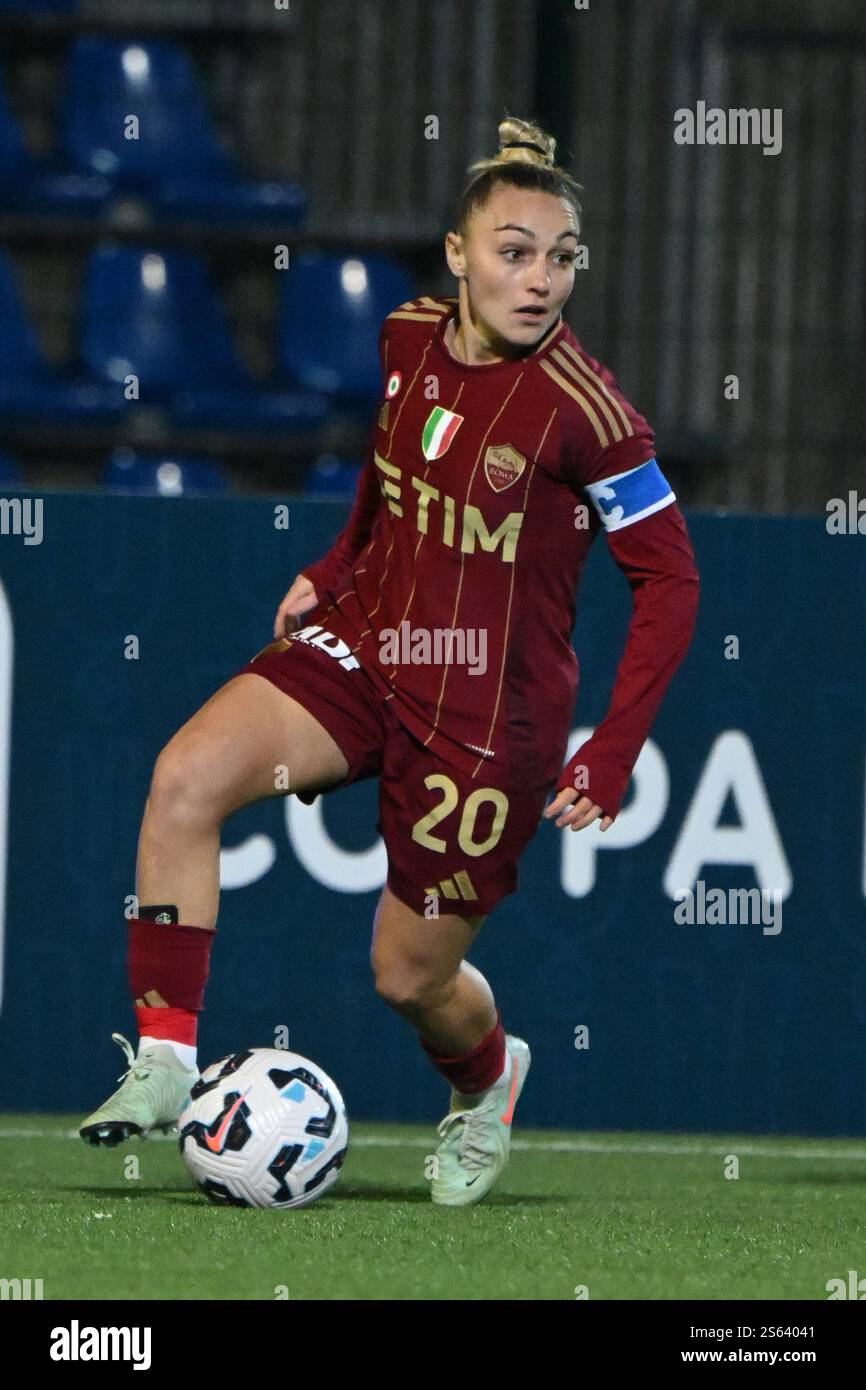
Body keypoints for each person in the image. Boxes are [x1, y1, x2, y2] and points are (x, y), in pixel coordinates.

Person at [80, 116, 699, 1207]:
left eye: (560, 256)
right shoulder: (407, 334)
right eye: (513, 250)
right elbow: (388, 468)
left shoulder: (592, 416)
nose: (540, 278)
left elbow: (672, 580)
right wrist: (334, 561)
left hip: (485, 716)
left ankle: (487, 1079)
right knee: (184, 779)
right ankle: (168, 1058)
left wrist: (611, 747)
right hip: (370, 643)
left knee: (406, 975)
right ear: (456, 256)